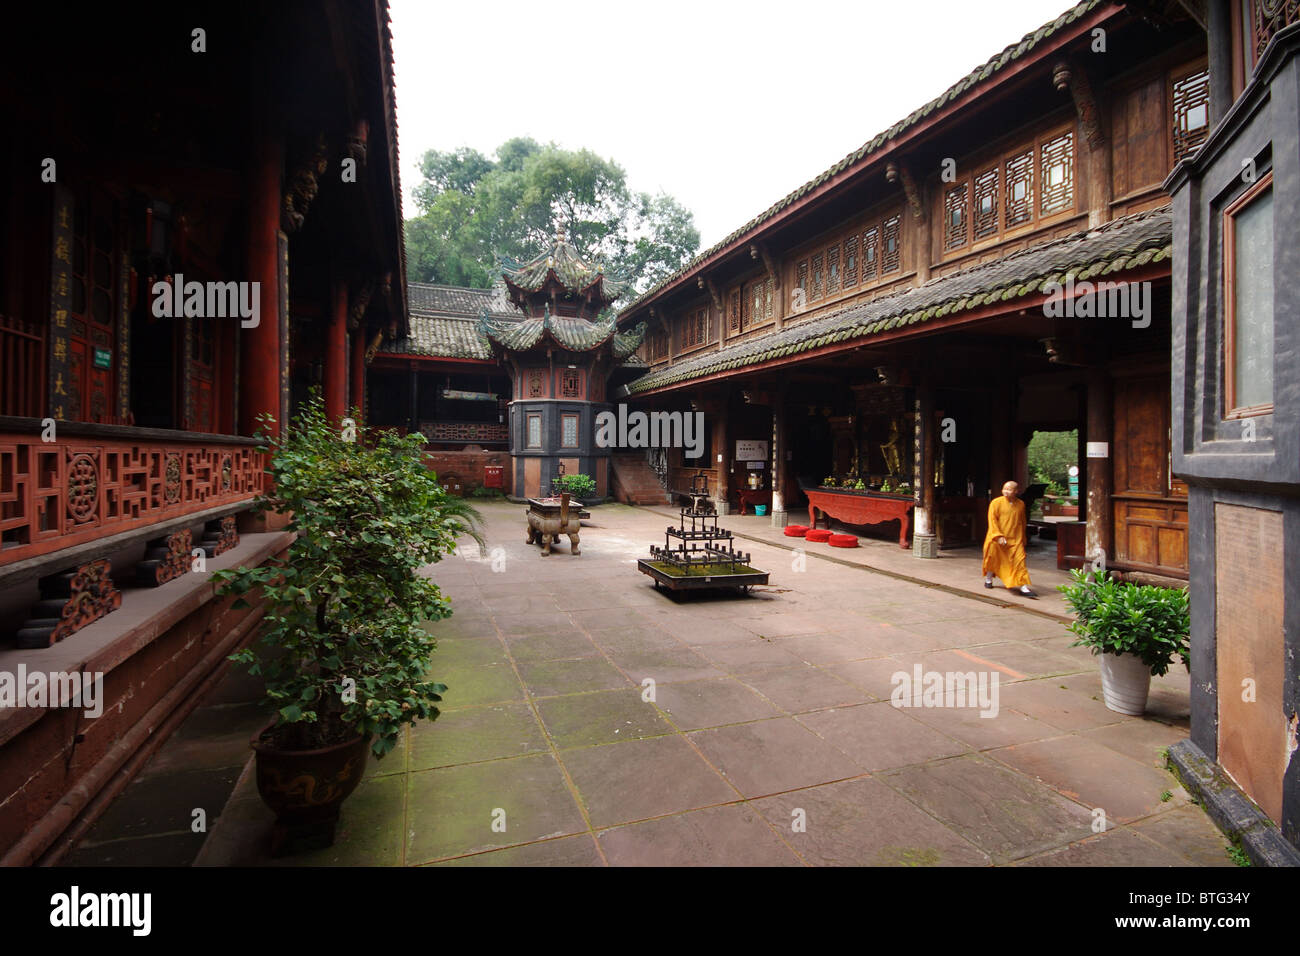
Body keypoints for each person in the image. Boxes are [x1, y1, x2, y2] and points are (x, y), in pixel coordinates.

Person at [982, 480, 1035, 597]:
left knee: (1020, 561)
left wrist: (1023, 537)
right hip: (997, 538)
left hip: (1015, 538)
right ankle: (989, 579)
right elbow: (992, 520)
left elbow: (1022, 522)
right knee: (993, 558)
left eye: (1009, 489)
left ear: (1016, 491)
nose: (1006, 491)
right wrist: (998, 535)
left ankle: (1023, 586)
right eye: (1004, 489)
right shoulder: (996, 503)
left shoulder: (1021, 504)